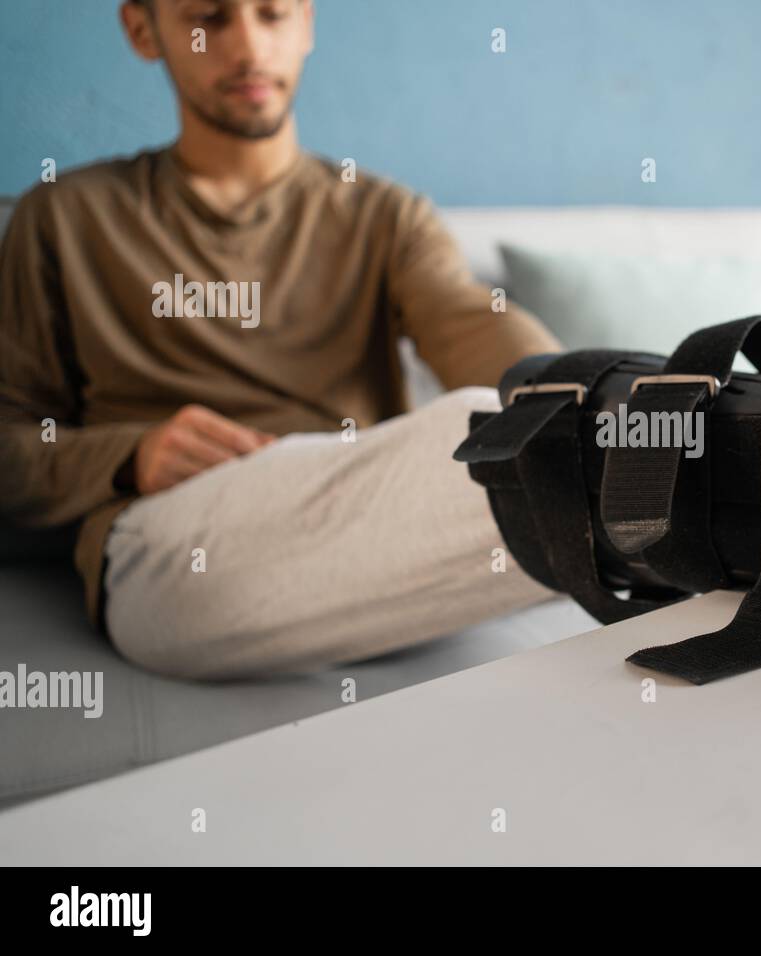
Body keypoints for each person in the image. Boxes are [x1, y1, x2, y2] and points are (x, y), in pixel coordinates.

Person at [0, 0, 561, 679]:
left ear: (308, 25)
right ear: (144, 30)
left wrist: (580, 390)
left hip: (376, 514)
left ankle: (659, 469)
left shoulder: (383, 214)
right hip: (184, 540)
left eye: (273, 14)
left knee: (537, 433)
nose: (248, 49)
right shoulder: (64, 216)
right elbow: (11, 447)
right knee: (556, 479)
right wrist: (131, 455)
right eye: (210, 17)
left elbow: (472, 322)